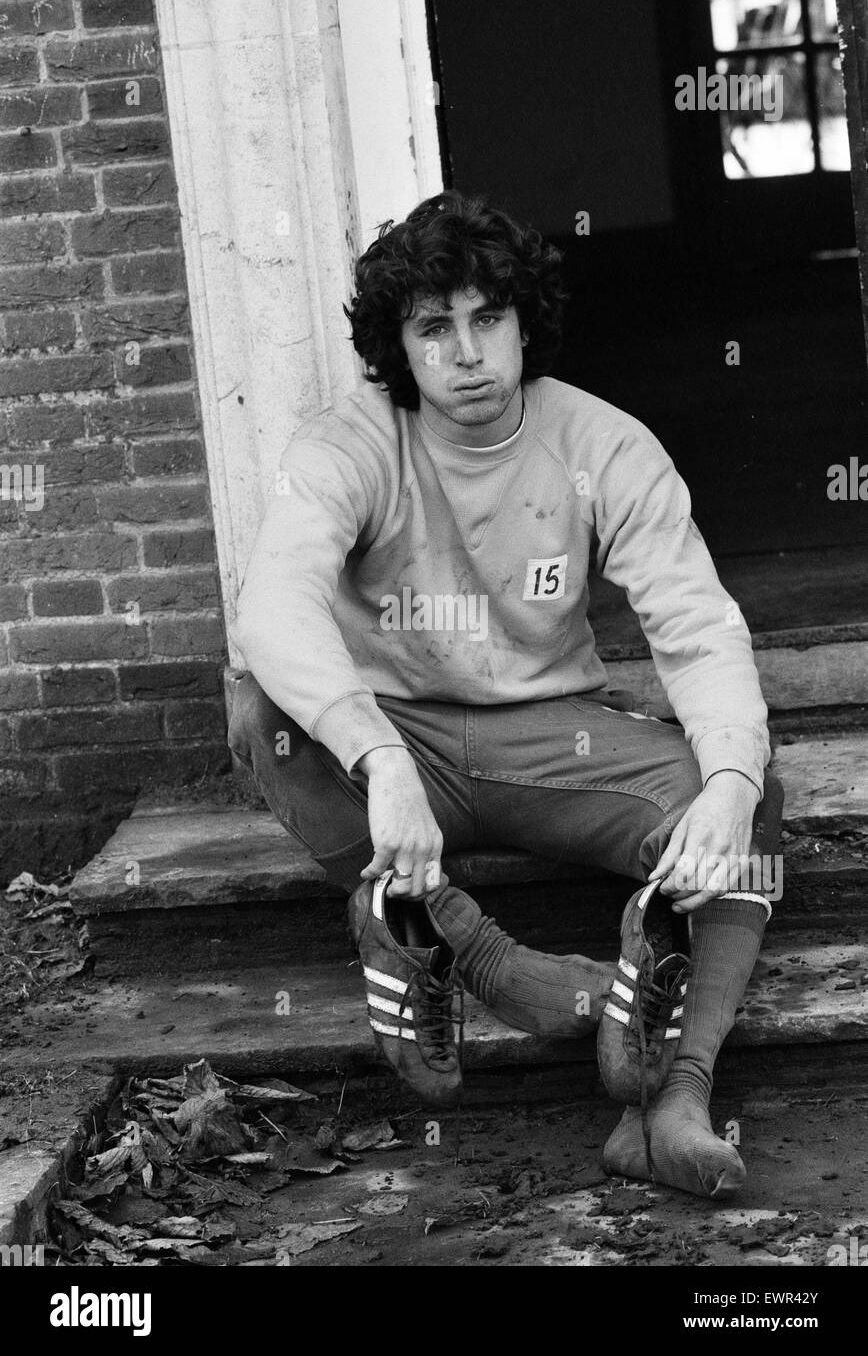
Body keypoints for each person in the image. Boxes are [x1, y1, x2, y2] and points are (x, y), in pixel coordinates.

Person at [228, 191, 784, 1200]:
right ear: (400, 346)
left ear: (525, 323)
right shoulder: (348, 445)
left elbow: (697, 626)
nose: (467, 352)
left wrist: (733, 781)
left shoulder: (605, 444)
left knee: (745, 790)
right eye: (434, 328)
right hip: (402, 752)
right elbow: (271, 611)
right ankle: (475, 953)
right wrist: (378, 753)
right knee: (261, 713)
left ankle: (671, 1100)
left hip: (553, 744)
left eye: (488, 318)